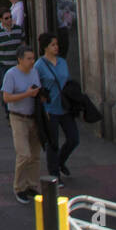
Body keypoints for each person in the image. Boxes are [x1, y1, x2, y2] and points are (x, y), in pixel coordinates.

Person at [35, 33, 79, 183]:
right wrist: (42, 108)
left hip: (65, 107)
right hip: (50, 108)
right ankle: (54, 175)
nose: (56, 47)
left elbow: (67, 81)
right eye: (53, 45)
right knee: (53, 143)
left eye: (57, 44)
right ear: (45, 47)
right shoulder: (39, 65)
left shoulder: (62, 62)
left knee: (73, 139)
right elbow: (36, 87)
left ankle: (60, 161)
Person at [2, 47, 42, 204]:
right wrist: (27, 94)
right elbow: (6, 98)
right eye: (29, 58)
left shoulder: (34, 72)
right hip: (18, 117)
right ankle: (19, 188)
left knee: (35, 155)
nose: (32, 61)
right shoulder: (11, 74)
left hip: (34, 117)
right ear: (20, 59)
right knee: (24, 154)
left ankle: (32, 185)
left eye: (33, 58)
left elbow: (37, 90)